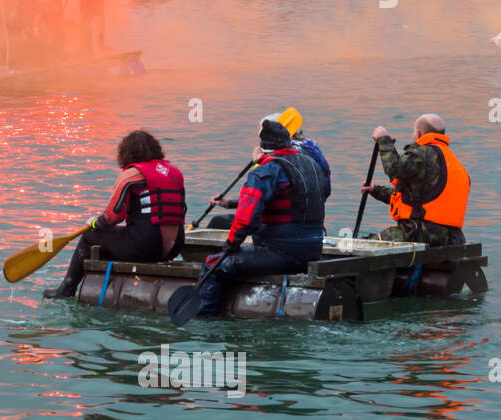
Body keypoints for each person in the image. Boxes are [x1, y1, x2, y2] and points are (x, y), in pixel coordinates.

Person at [196, 118, 326, 317]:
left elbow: (246, 219)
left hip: (280, 253)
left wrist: (230, 246)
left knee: (214, 265)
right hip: (313, 251)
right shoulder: (312, 166)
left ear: (262, 147)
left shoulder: (266, 171)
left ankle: (204, 322)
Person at [44, 129, 187, 299]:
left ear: (125, 153)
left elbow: (113, 216)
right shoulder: (175, 172)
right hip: (175, 246)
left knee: (91, 235)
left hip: (145, 246)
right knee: (116, 238)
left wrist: (94, 223)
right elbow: (182, 210)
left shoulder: (130, 175)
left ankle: (66, 290)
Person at [207, 112, 332, 229]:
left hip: (285, 227)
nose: (262, 141)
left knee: (218, 222)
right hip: (312, 225)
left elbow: (261, 195)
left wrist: (258, 161)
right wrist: (229, 203)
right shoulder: (311, 151)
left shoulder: (282, 159)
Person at [361, 114, 469, 247]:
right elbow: (415, 200)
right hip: (451, 238)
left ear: (418, 133)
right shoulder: (454, 164)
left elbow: (394, 168)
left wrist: (383, 139)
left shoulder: (422, 154)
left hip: (420, 234)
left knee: (364, 244)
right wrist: (375, 190)